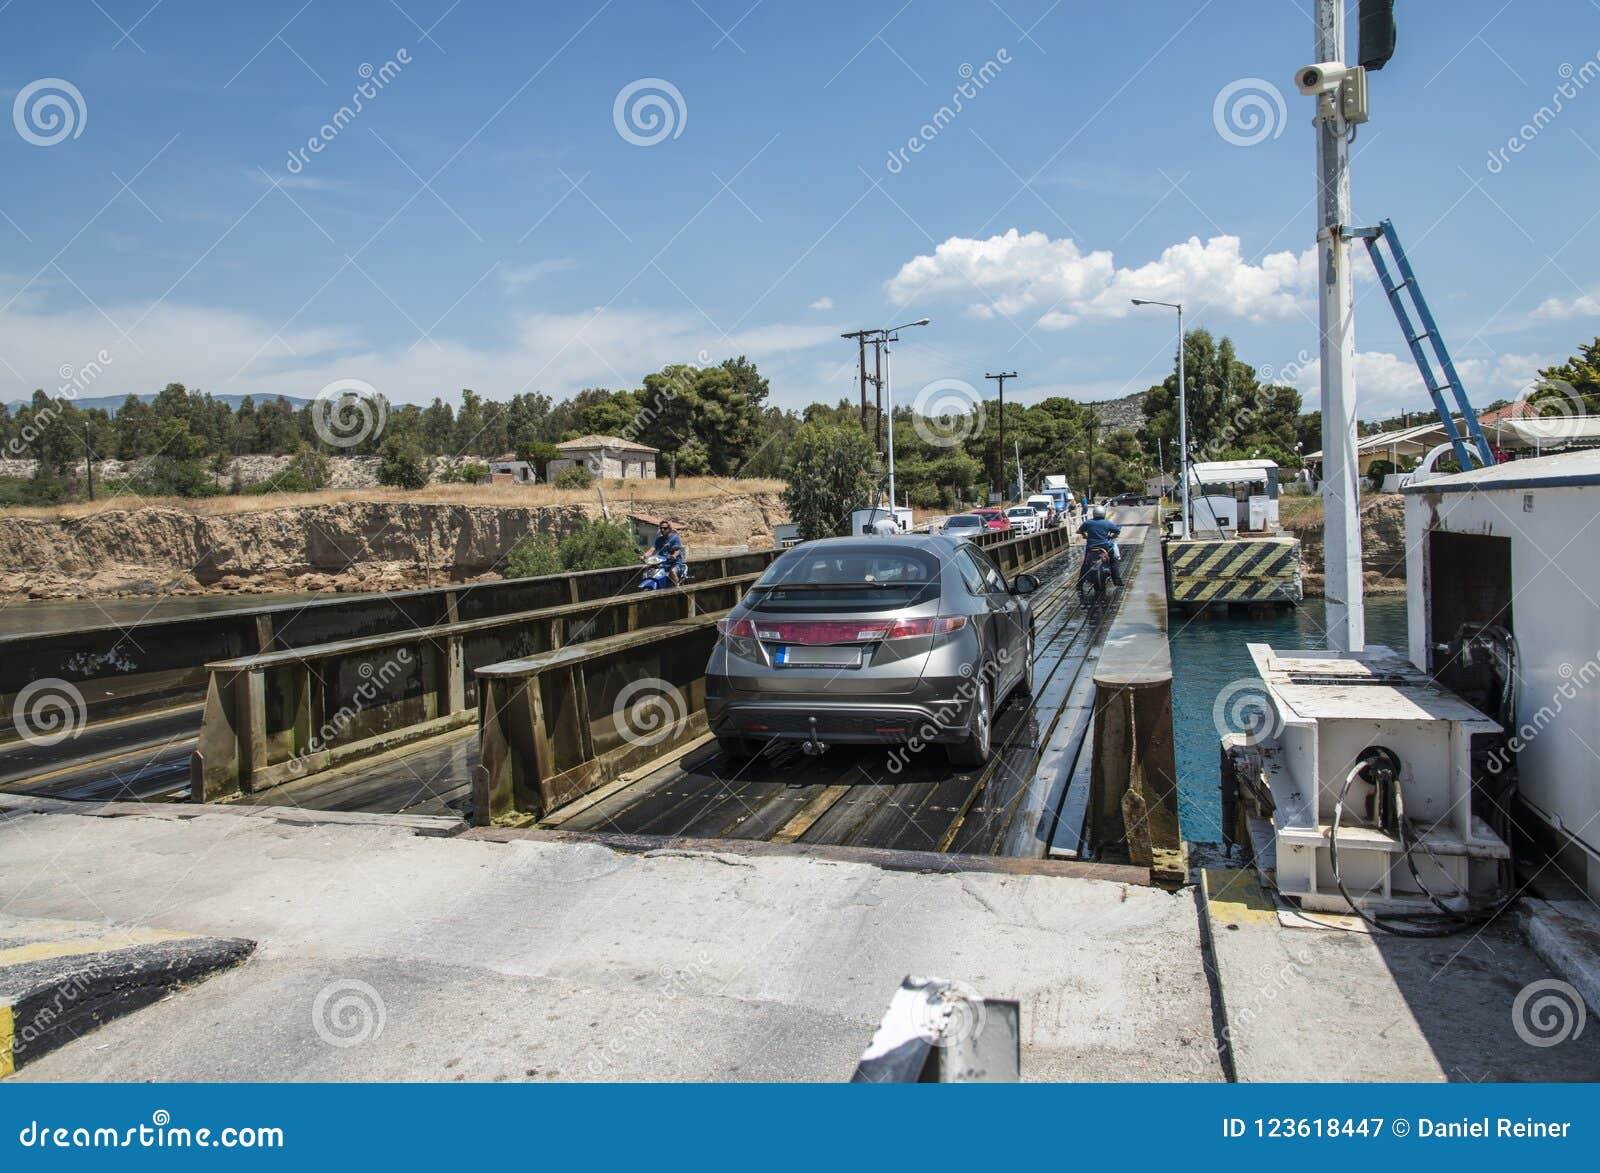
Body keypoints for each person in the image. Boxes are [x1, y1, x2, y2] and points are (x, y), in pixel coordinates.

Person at [1076, 506, 1122, 588]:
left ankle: (1080, 583)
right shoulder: (1107, 523)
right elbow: (1117, 531)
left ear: (1094, 513)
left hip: (1090, 547)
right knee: (1112, 562)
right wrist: (1112, 537)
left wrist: (1084, 535)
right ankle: (1117, 580)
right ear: (1103, 514)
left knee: (1085, 564)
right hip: (1104, 547)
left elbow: (1079, 531)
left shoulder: (1088, 522)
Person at [645, 519, 686, 583]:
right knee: (650, 572)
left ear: (669, 529)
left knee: (672, 572)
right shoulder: (659, 539)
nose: (662, 530)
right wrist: (644, 556)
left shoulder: (675, 538)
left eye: (665, 528)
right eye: (661, 528)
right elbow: (652, 549)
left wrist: (674, 555)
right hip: (663, 563)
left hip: (675, 563)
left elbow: (677, 550)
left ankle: (677, 589)